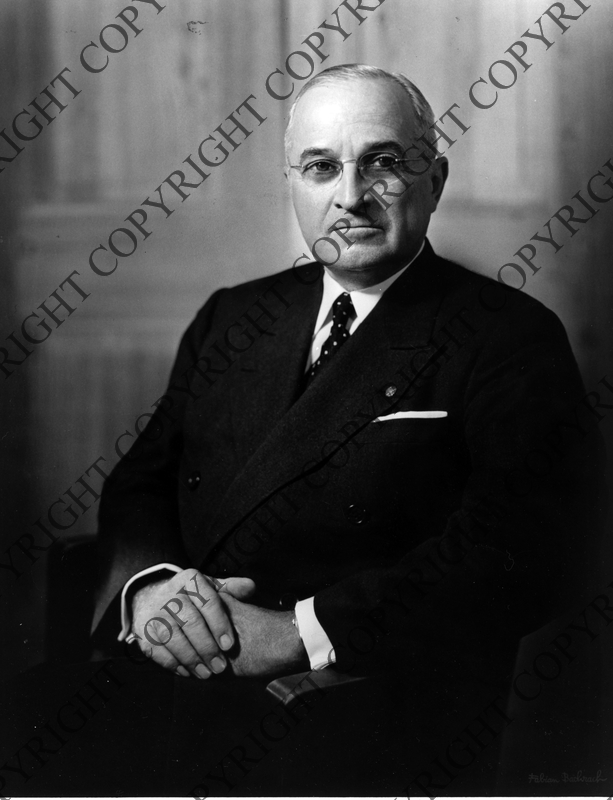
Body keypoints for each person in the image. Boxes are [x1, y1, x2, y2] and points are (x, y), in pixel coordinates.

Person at [89, 64, 605, 793]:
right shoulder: (233, 317)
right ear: (292, 182)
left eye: (384, 164)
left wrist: (299, 632)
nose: (351, 196)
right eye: (322, 167)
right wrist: (150, 589)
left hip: (359, 708)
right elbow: (142, 480)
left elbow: (530, 547)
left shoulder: (505, 335)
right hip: (175, 672)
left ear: (436, 179)